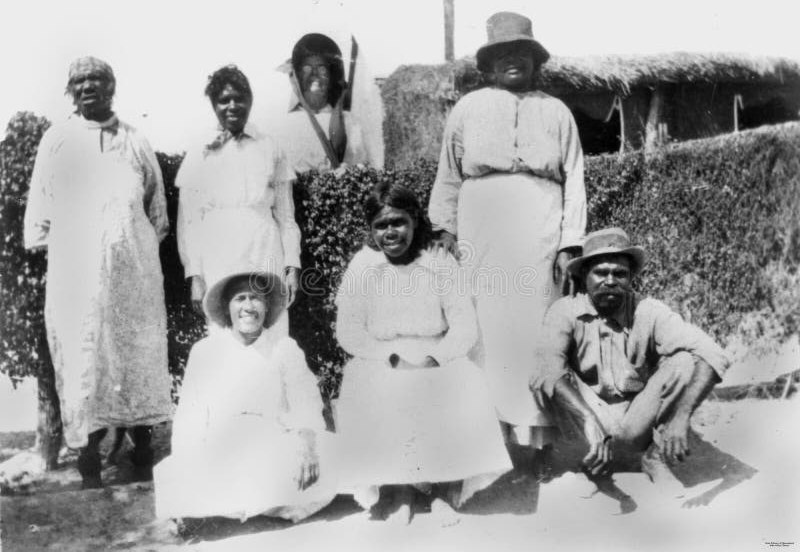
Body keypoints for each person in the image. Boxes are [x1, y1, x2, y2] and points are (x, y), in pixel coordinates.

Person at [428, 11, 587, 460]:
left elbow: (574, 178)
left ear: (536, 61)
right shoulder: (469, 109)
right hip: (483, 227)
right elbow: (449, 174)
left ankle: (537, 443)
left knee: (533, 329)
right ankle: (488, 440)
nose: (513, 60)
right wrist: (445, 230)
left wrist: (569, 242)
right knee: (484, 327)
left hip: (540, 227)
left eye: (523, 52)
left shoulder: (556, 112)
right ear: (489, 65)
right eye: (503, 53)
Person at [23, 56, 172, 488]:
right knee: (83, 355)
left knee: (135, 353)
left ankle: (142, 452)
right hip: (77, 276)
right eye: (80, 80)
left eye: (98, 79)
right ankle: (88, 460)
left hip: (133, 273)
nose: (89, 86)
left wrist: (125, 245)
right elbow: (39, 218)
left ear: (112, 86)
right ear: (70, 91)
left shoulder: (135, 140)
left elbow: (157, 211)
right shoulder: (57, 141)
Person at [335, 182, 512, 525]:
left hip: (435, 352)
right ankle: (400, 492)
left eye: (398, 221)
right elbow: (349, 330)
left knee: (462, 381)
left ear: (414, 219)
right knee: (369, 385)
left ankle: (443, 491)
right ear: (370, 230)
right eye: (381, 225)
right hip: (381, 357)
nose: (391, 232)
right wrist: (390, 360)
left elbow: (463, 324)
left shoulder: (438, 260)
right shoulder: (362, 264)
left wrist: (436, 358)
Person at [530, 228, 731, 499]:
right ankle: (584, 464)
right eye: (601, 273)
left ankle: (653, 457)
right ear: (584, 277)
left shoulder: (647, 309)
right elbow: (546, 372)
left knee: (684, 361)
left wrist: (681, 417)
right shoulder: (564, 310)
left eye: (620, 274)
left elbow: (713, 353)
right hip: (585, 419)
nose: (610, 281)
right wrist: (588, 418)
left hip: (635, 419)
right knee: (550, 378)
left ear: (630, 278)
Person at [154, 271, 337, 522]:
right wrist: (190, 459)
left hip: (274, 445)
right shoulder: (204, 351)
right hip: (222, 449)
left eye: (256, 298)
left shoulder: (284, 348)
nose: (248, 307)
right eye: (240, 298)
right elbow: (189, 416)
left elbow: (305, 400)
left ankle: (233, 507)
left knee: (330, 455)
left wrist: (306, 447)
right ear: (227, 307)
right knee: (173, 472)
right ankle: (262, 503)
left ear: (267, 306)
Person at [176, 65, 301, 334]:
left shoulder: (270, 145)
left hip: (264, 248)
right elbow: (188, 222)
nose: (232, 106)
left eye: (240, 98)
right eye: (224, 100)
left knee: (271, 328)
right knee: (224, 330)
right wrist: (194, 274)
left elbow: (287, 216)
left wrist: (292, 265)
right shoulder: (200, 150)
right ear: (213, 104)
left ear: (250, 101)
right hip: (219, 253)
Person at [273, 33, 376, 176]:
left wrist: (349, 173)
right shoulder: (284, 126)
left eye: (322, 69)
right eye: (307, 68)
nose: (314, 74)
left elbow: (364, 167)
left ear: (331, 76)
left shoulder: (350, 123)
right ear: (297, 76)